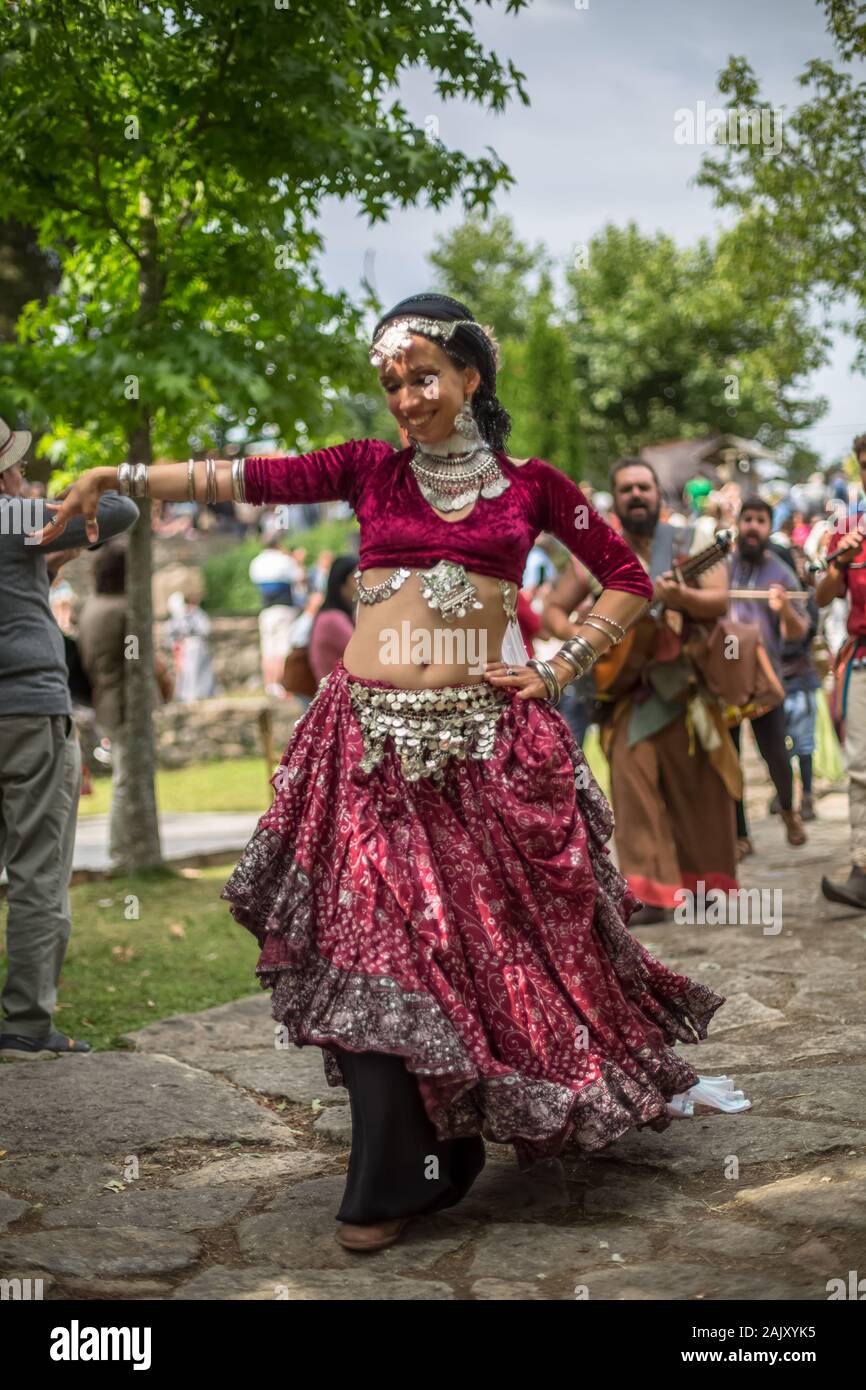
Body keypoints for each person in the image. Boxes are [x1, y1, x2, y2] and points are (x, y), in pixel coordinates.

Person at [38, 294, 750, 1250]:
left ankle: (444, 1148)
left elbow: (624, 578)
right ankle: (388, 1181)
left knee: (481, 961)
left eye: (422, 377)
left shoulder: (534, 487)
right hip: (368, 748)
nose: (405, 398)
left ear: (469, 377)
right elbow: (240, 474)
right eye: (391, 384)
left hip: (485, 755)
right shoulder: (368, 469)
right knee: (374, 949)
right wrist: (115, 472)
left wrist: (557, 667)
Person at [0, 418, 139, 1056]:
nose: (22, 473)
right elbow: (120, 508)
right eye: (15, 466)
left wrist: (43, 560)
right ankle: (27, 1024)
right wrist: (55, 510)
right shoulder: (14, 517)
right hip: (27, 711)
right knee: (38, 872)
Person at [600, 458, 739, 925]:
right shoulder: (601, 551)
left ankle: (706, 889)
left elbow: (719, 600)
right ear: (616, 499)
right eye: (626, 489)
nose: (636, 495)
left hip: (686, 688)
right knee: (630, 785)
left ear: (658, 493)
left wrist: (678, 598)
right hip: (629, 690)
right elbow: (557, 610)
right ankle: (650, 893)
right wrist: (585, 631)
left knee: (698, 792)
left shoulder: (689, 541)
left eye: (643, 486)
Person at [728, 498, 809, 856]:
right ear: (738, 523)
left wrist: (786, 610)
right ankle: (739, 834)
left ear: (768, 526)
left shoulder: (780, 572)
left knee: (776, 754)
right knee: (728, 761)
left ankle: (789, 811)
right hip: (724, 680)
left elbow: (798, 632)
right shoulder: (721, 568)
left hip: (765, 680)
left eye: (760, 520)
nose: (753, 527)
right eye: (748, 519)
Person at [817, 433, 866, 906]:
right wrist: (840, 563)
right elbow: (821, 596)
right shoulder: (849, 529)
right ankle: (864, 870)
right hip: (863, 658)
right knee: (860, 768)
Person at [249, 536, 302, 694]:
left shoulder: (256, 562)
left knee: (268, 649)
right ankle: (281, 684)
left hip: (266, 610)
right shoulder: (284, 560)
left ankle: (269, 684)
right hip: (284, 608)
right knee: (282, 647)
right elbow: (299, 577)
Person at [308, 556, 356, 683]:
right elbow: (363, 652)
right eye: (357, 579)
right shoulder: (333, 619)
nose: (362, 585)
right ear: (342, 582)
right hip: (335, 695)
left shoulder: (334, 615)